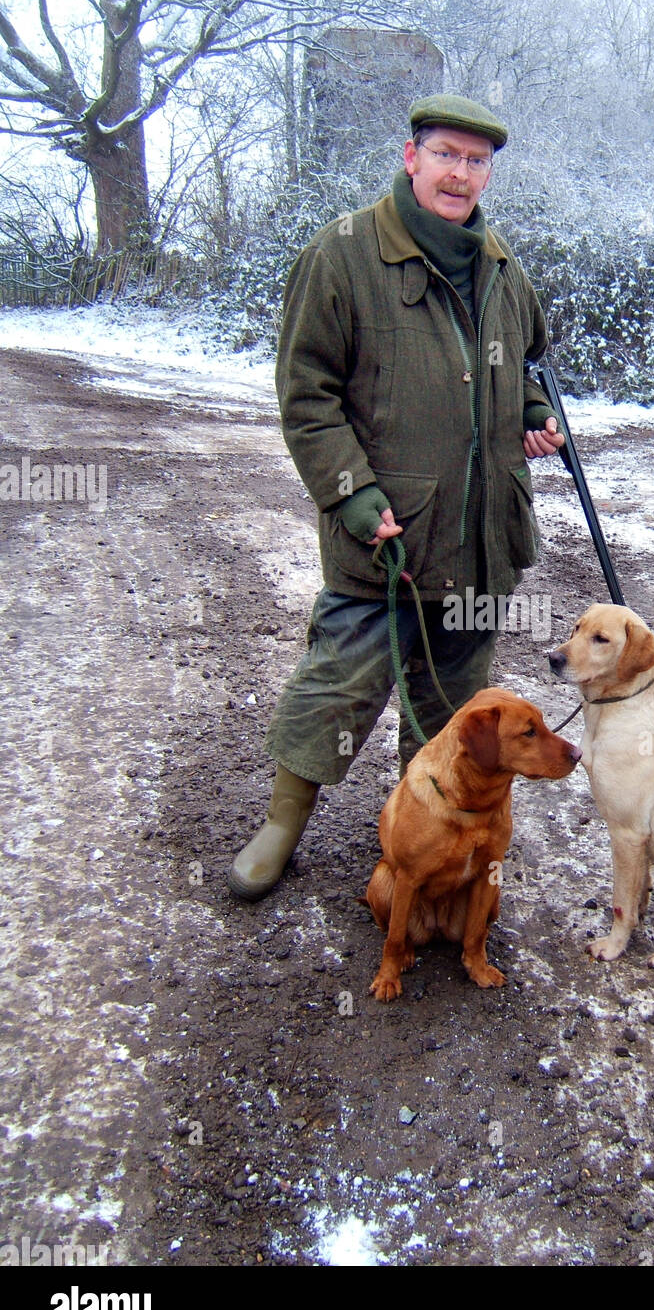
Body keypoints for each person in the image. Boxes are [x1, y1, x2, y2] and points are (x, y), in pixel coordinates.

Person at [228, 93, 564, 901]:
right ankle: (282, 824)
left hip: (481, 538)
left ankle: (443, 831)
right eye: (445, 154)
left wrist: (532, 416)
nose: (460, 174)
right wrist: (349, 492)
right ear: (412, 158)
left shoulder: (502, 266)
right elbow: (307, 394)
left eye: (476, 161)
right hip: (385, 534)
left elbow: (521, 366)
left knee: (458, 707)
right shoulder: (341, 255)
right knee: (338, 684)